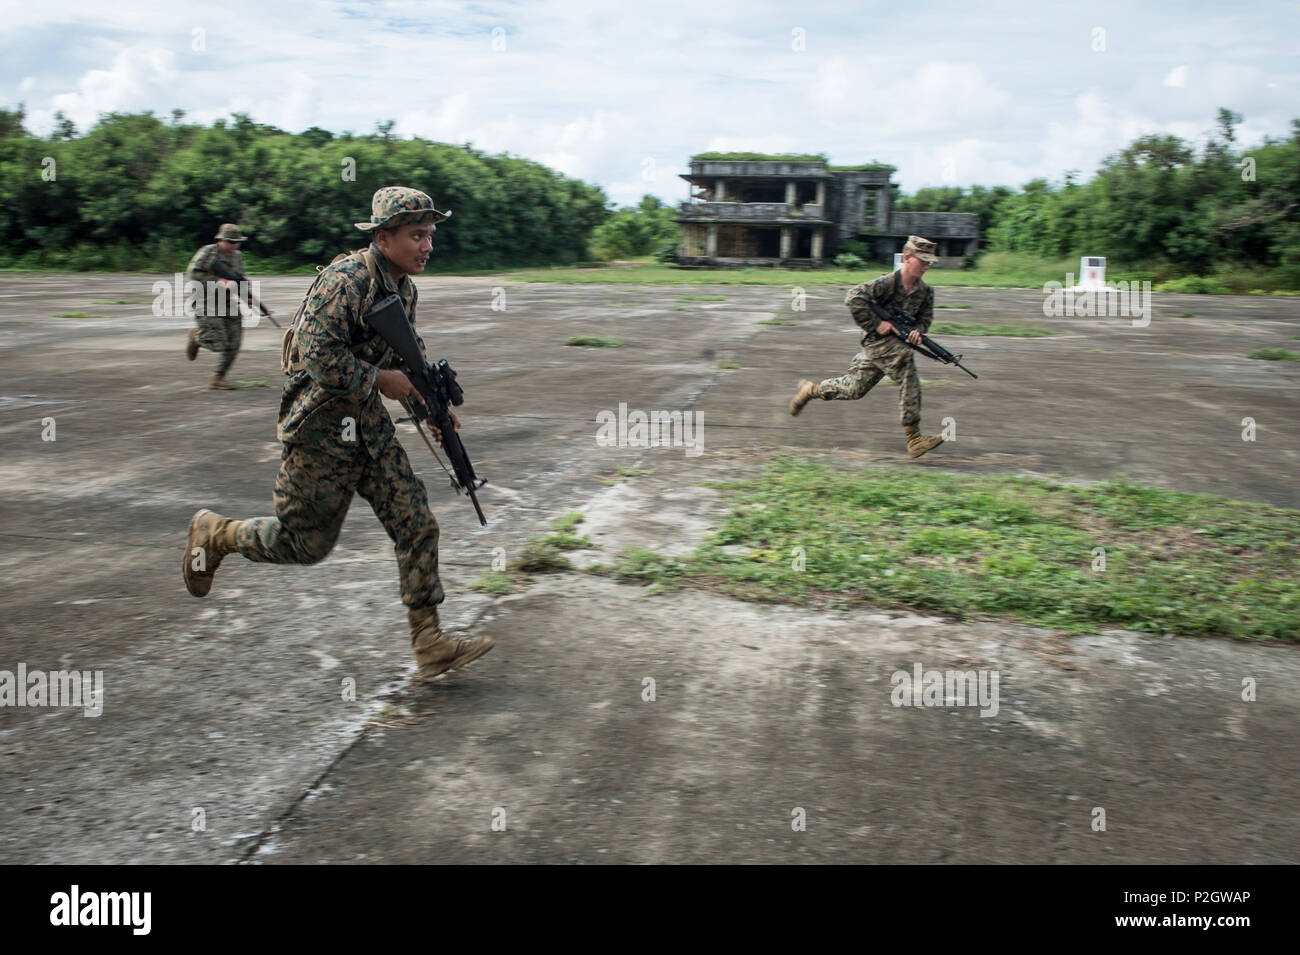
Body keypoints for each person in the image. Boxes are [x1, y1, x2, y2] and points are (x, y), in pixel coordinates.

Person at [181, 187, 493, 682]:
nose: (427, 246)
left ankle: (428, 642)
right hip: (320, 430)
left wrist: (427, 405)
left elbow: (401, 363)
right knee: (305, 544)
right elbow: (318, 354)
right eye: (417, 235)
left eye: (430, 235)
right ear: (384, 237)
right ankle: (216, 534)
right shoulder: (344, 281)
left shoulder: (402, 290)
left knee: (417, 523)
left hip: (368, 428)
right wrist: (379, 381)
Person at [788, 234, 946, 458]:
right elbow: (854, 297)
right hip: (877, 343)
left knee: (854, 389)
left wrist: (917, 332)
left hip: (896, 344)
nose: (926, 266)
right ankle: (914, 439)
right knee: (907, 370)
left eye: (929, 262)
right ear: (908, 258)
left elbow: (924, 320)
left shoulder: (926, 293)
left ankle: (811, 390)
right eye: (923, 261)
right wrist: (876, 324)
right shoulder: (886, 283)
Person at [186, 223, 250, 390]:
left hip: (227, 301)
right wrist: (218, 282)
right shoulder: (207, 252)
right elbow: (193, 275)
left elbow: (238, 278)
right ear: (221, 240)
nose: (234, 245)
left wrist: (247, 296)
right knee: (217, 343)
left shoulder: (237, 256)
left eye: (237, 242)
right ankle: (197, 338)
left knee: (234, 342)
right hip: (206, 301)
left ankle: (218, 377)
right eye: (231, 242)